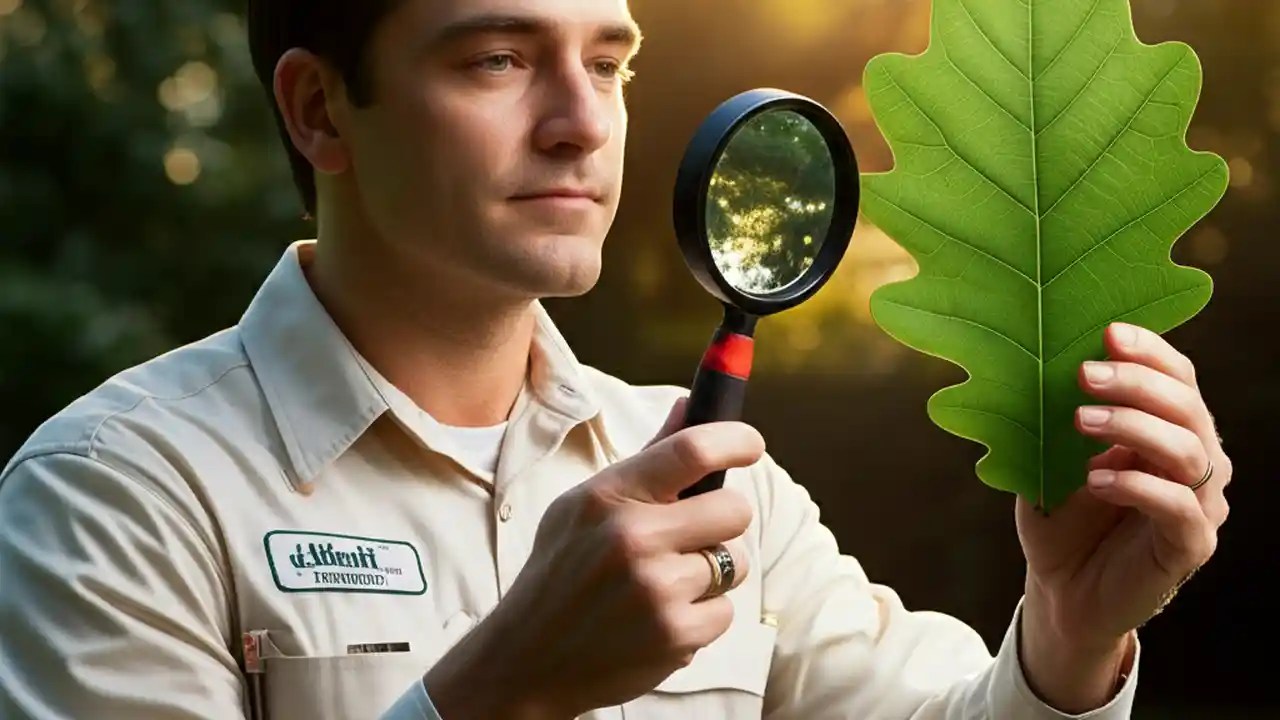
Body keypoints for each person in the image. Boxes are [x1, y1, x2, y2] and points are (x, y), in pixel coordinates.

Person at [0, 0, 1234, 718]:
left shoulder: (716, 478)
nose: (581, 123)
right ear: (320, 109)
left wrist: (1067, 638)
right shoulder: (115, 492)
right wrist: (497, 694)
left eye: (607, 63)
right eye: (496, 58)